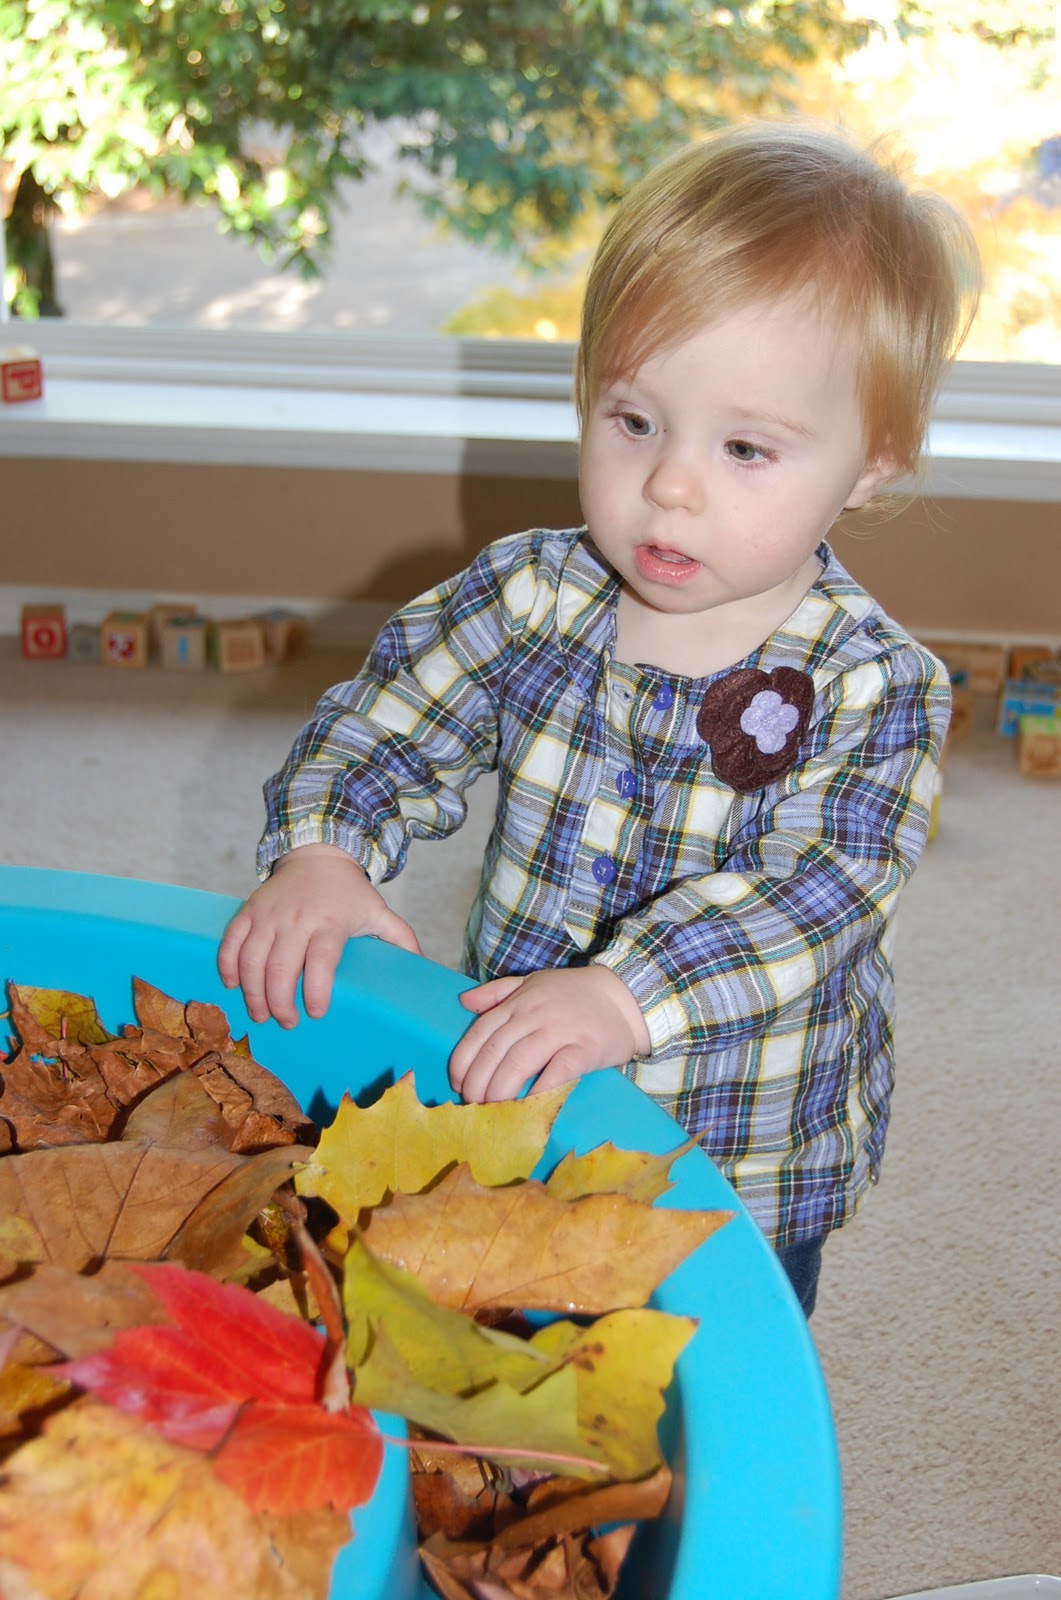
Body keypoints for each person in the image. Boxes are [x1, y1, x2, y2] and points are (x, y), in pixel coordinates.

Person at [218, 119, 980, 1316]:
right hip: (533, 1100)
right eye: (633, 420)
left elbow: (816, 890)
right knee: (504, 1333)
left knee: (694, 1381)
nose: (669, 483)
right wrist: (323, 846)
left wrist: (627, 993)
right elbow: (386, 717)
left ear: (870, 461)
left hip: (738, 1160)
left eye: (743, 447)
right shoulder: (530, 595)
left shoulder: (875, 686)